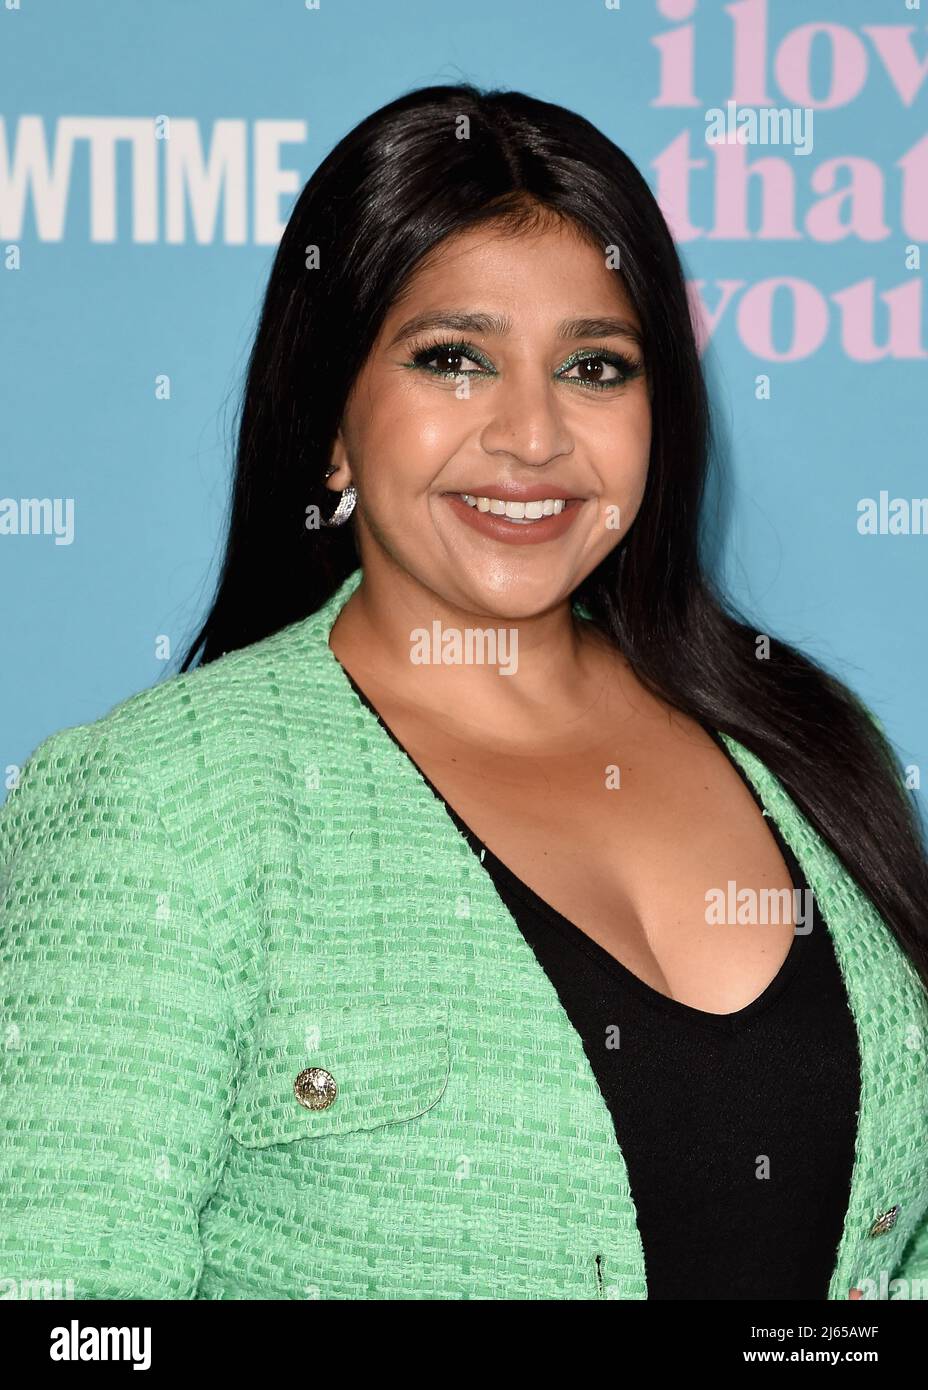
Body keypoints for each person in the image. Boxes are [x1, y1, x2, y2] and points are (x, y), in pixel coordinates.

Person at [1, 83, 927, 1302]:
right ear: (331, 422)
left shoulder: (804, 739)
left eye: (596, 367)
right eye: (454, 360)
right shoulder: (166, 805)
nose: (532, 436)